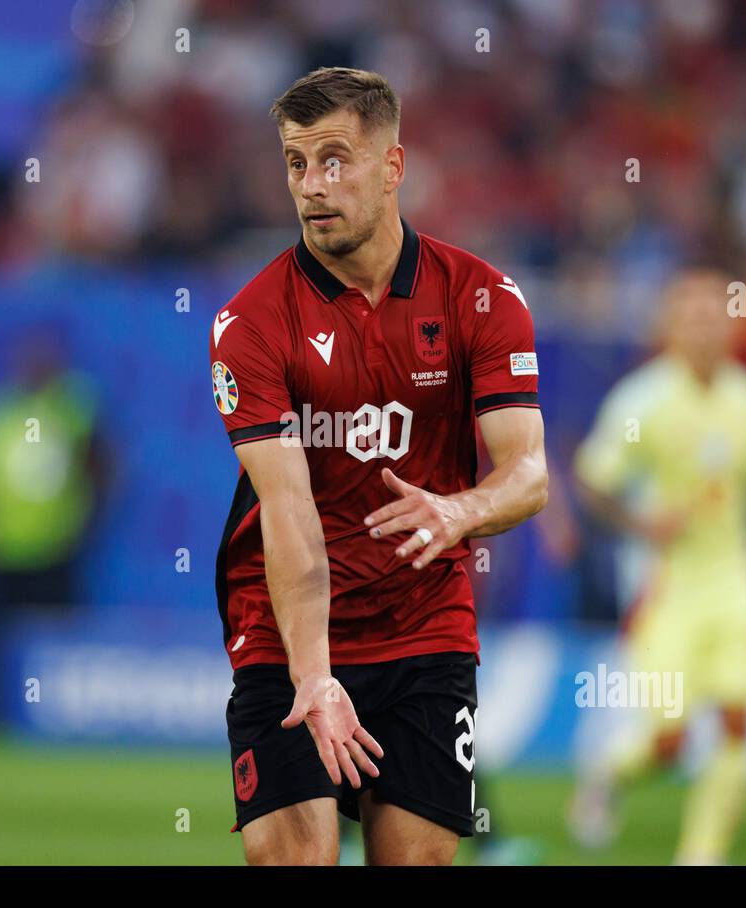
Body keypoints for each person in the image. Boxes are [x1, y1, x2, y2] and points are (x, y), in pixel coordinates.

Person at [209, 67, 549, 865]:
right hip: (286, 630)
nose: (313, 185)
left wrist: (459, 511)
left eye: (336, 160)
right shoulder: (249, 323)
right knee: (294, 858)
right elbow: (287, 512)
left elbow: (527, 472)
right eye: (297, 163)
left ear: (392, 168)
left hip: (424, 623)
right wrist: (316, 677)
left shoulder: (482, 298)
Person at [569, 268, 746, 865]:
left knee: (740, 719)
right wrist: (642, 526)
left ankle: (701, 854)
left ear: (733, 326)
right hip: (666, 584)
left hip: (736, 577)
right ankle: (609, 774)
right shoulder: (643, 401)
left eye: (715, 315)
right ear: (669, 328)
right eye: (691, 316)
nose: (705, 327)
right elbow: (592, 481)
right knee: (668, 741)